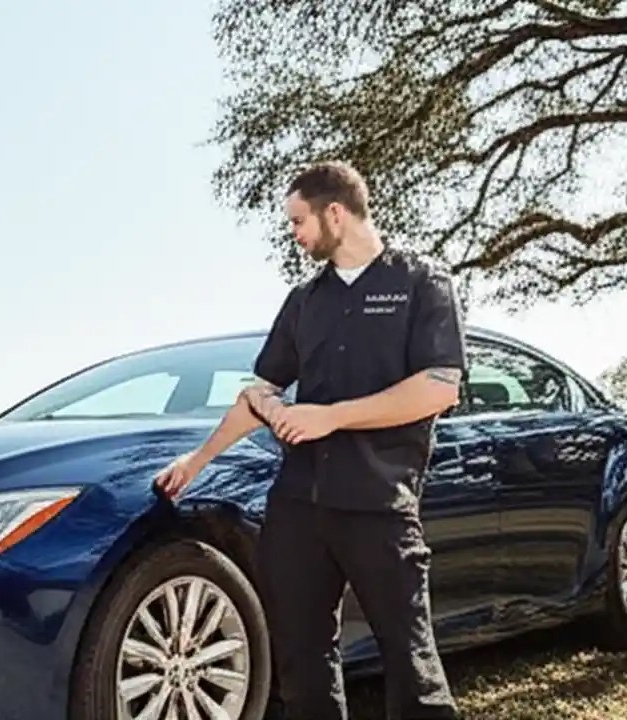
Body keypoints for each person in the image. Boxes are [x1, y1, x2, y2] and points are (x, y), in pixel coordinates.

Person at [154, 160, 465, 720]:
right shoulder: (304, 300)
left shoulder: (422, 283)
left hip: (378, 503)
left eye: (299, 221)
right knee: (301, 663)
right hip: (297, 505)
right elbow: (259, 392)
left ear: (335, 213)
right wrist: (197, 460)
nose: (294, 234)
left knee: (410, 661)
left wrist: (332, 417)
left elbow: (439, 388)